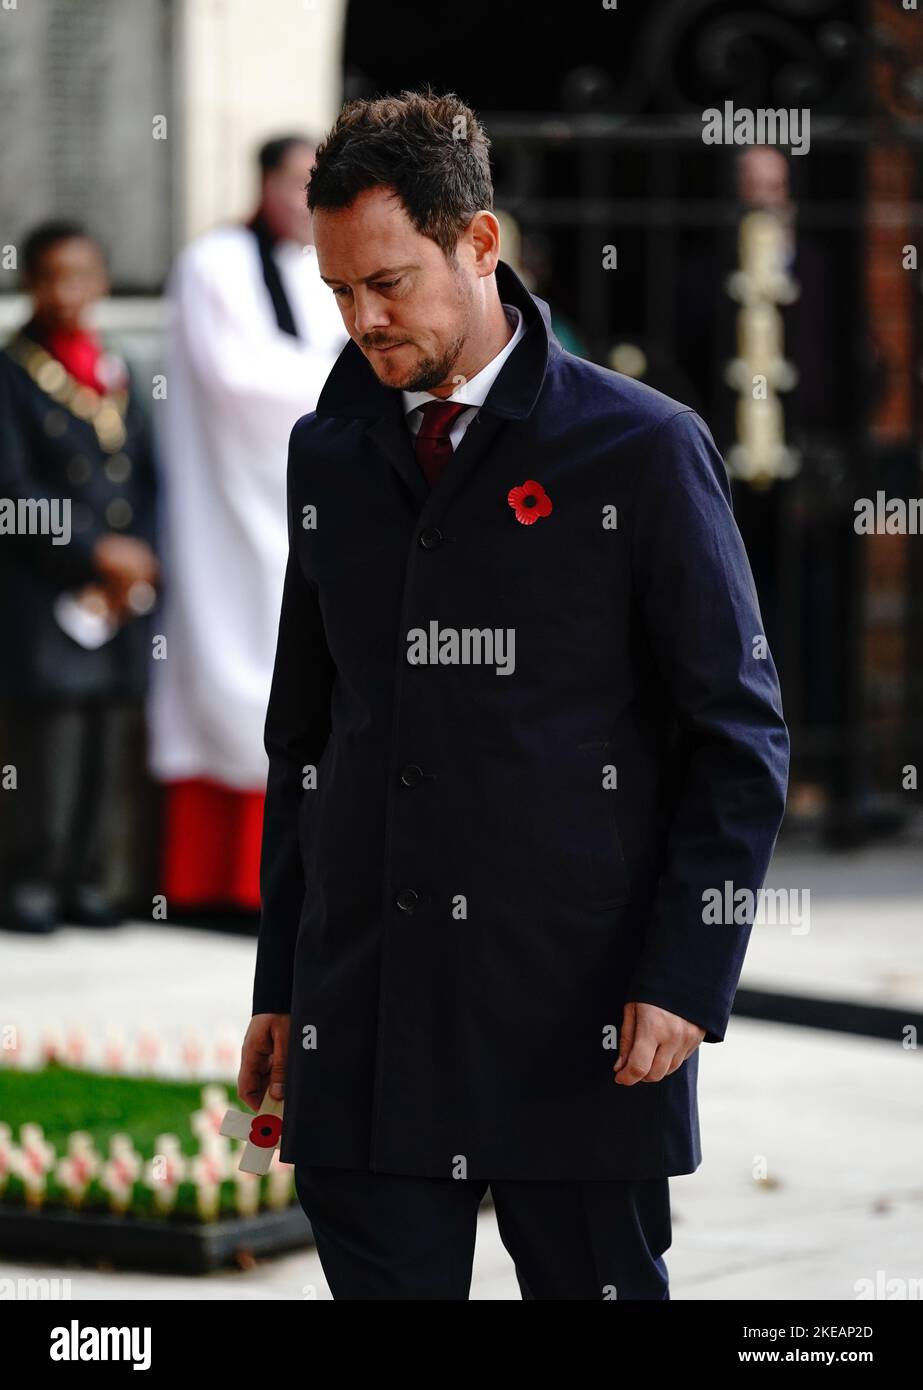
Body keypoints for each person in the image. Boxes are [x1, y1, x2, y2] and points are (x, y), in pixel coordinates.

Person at [238, 89, 790, 1300]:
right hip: (366, 1008)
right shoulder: (326, 447)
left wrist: (687, 973)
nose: (360, 320)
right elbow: (307, 738)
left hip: (578, 1018)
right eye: (335, 291)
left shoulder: (642, 448)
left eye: (387, 283)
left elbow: (735, 734)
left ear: (479, 244)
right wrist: (283, 983)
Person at [147, 134, 347, 915]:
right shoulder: (214, 264)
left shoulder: (318, 267)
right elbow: (237, 379)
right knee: (230, 666)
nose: (307, 199)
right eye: (298, 182)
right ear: (265, 183)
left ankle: (284, 885)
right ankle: (209, 885)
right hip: (228, 509)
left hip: (301, 503)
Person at [0, 219, 159, 932]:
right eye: (54, 276)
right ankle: (32, 877)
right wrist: (95, 552)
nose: (70, 292)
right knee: (49, 737)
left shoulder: (115, 366)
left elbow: (148, 478)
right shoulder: (12, 372)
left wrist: (139, 558)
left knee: (107, 729)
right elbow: (11, 493)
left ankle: (88, 876)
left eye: (83, 275)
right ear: (31, 281)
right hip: (45, 586)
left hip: (121, 593)